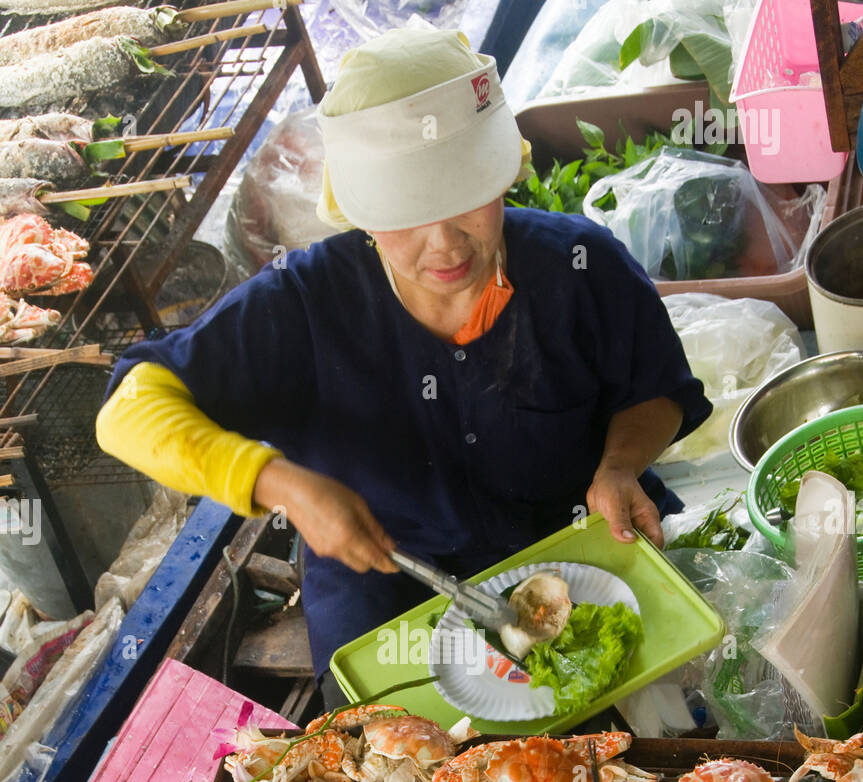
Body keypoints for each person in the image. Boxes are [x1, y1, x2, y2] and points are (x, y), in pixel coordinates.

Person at [96, 25, 711, 706]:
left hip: (575, 554)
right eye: (407, 215)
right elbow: (126, 411)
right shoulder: (301, 306)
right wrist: (280, 484)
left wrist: (619, 465)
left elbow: (655, 390)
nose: (444, 243)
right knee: (393, 774)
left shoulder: (579, 265)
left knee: (662, 716)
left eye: (466, 201)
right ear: (358, 211)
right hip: (387, 594)